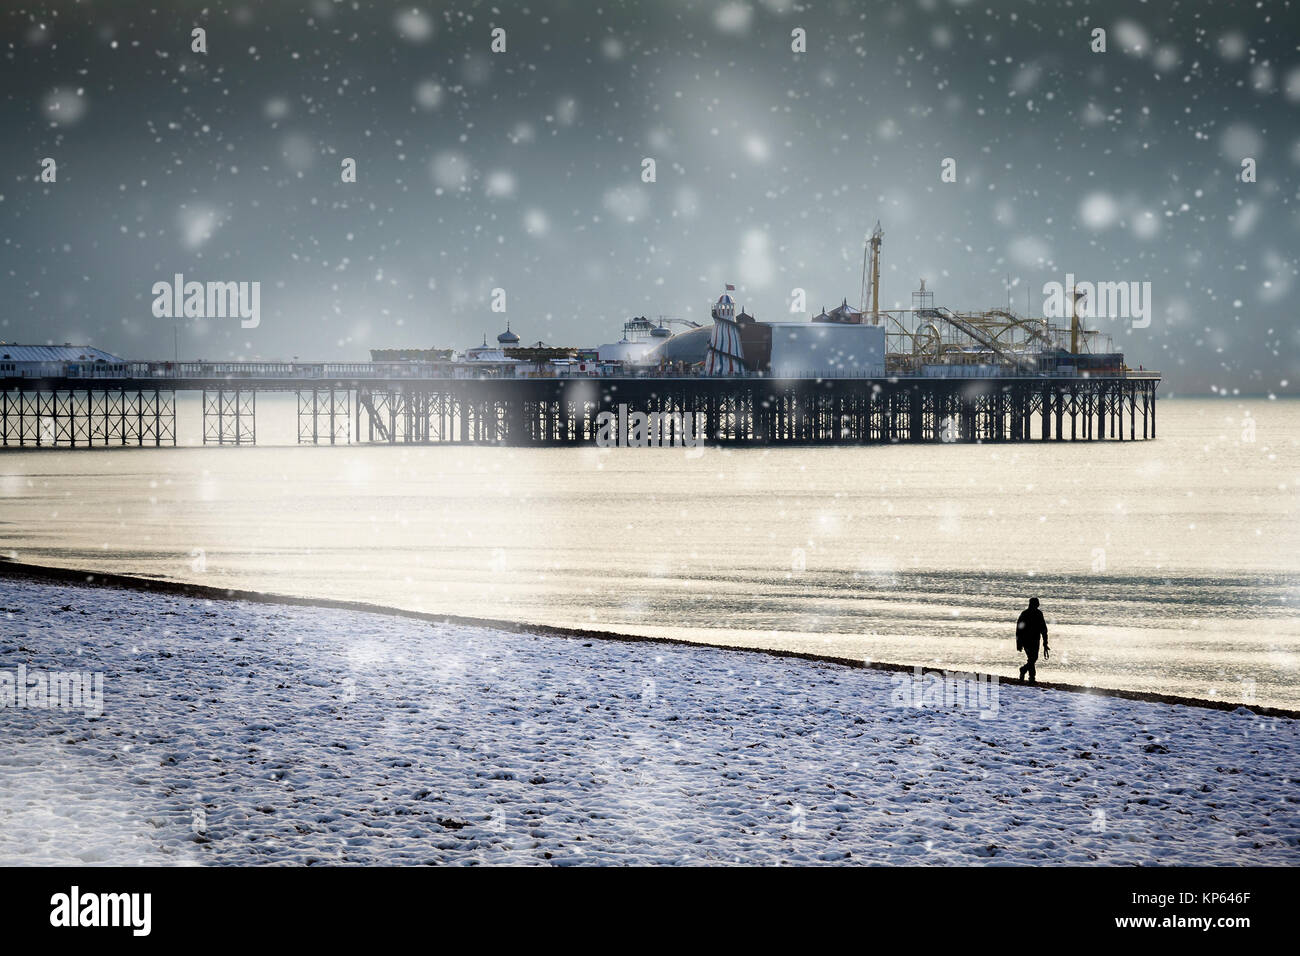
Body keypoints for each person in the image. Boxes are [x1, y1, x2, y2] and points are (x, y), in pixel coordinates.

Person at [1015, 597, 1049, 683]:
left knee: (1033, 658)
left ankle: (1025, 671)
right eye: (1037, 603)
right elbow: (1019, 629)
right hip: (1027, 640)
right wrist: (1019, 643)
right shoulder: (1026, 614)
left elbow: (1043, 629)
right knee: (1032, 658)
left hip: (1035, 639)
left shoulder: (1037, 613)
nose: (1038, 605)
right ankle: (1031, 676)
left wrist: (1045, 642)